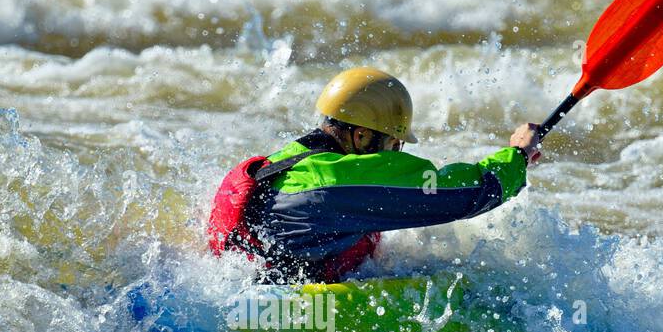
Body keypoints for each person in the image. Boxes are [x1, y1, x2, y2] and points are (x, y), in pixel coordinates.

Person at [207, 66, 543, 283]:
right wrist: (517, 156)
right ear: (361, 137)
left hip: (242, 285)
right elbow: (462, 195)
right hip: (275, 310)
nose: (395, 155)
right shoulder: (338, 182)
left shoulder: (289, 160)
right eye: (394, 145)